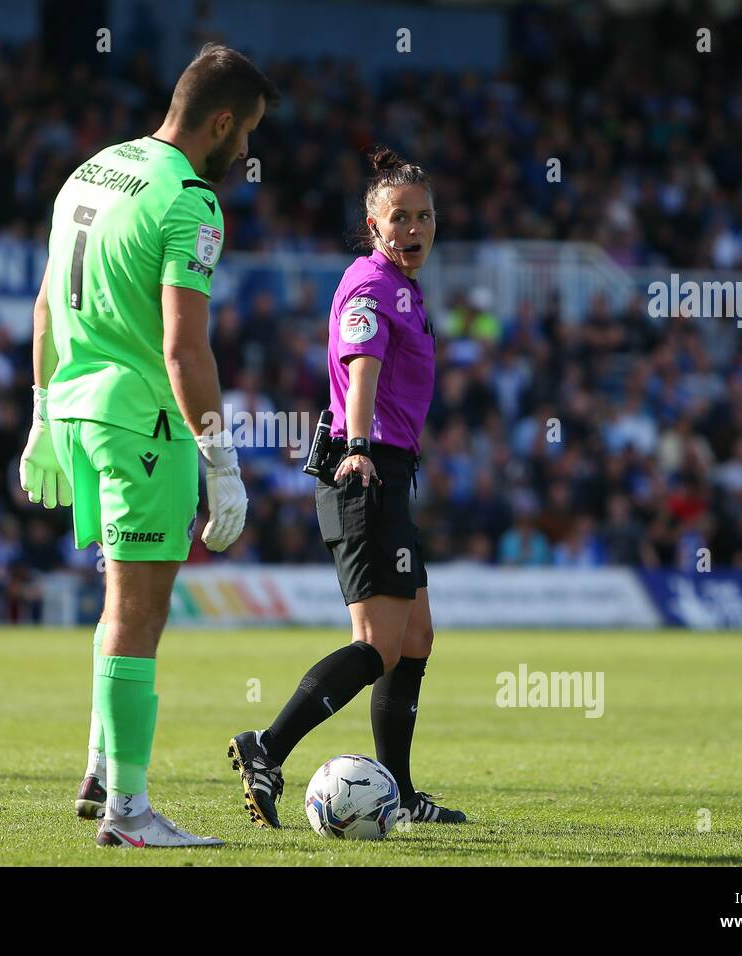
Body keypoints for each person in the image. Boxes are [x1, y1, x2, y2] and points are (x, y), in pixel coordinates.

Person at [19, 44, 277, 848]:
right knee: (140, 616)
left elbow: (44, 303)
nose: (247, 154)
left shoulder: (93, 170)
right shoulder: (191, 201)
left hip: (76, 410)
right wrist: (223, 463)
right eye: (247, 136)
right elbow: (184, 351)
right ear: (223, 122)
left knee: (115, 607)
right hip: (143, 424)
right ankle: (130, 815)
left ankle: (102, 771)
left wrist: (37, 411)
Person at [229, 146, 466, 828]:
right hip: (364, 470)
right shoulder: (371, 286)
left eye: (424, 217)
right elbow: (360, 372)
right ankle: (266, 748)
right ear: (373, 222)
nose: (413, 230)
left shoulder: (404, 286)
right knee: (378, 644)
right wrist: (359, 448)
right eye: (399, 218)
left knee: (415, 636)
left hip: (390, 472)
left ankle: (402, 792)